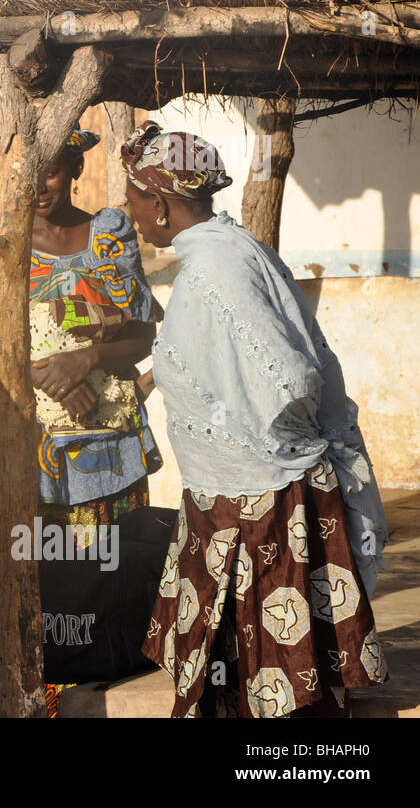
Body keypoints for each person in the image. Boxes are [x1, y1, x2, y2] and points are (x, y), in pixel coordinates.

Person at [120, 121, 388, 717]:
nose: (131, 211)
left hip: (259, 499)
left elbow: (285, 377)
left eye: (135, 198)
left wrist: (263, 436)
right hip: (244, 484)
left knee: (274, 667)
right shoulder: (228, 249)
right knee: (262, 660)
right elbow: (213, 355)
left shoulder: (214, 269)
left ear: (160, 203)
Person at [0, 129, 162, 535]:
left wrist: (87, 359)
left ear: (76, 168)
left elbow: (143, 334)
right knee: (41, 580)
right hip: (29, 449)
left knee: (118, 576)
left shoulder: (109, 234)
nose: (37, 186)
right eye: (28, 173)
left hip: (112, 448)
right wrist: (44, 376)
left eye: (52, 172)